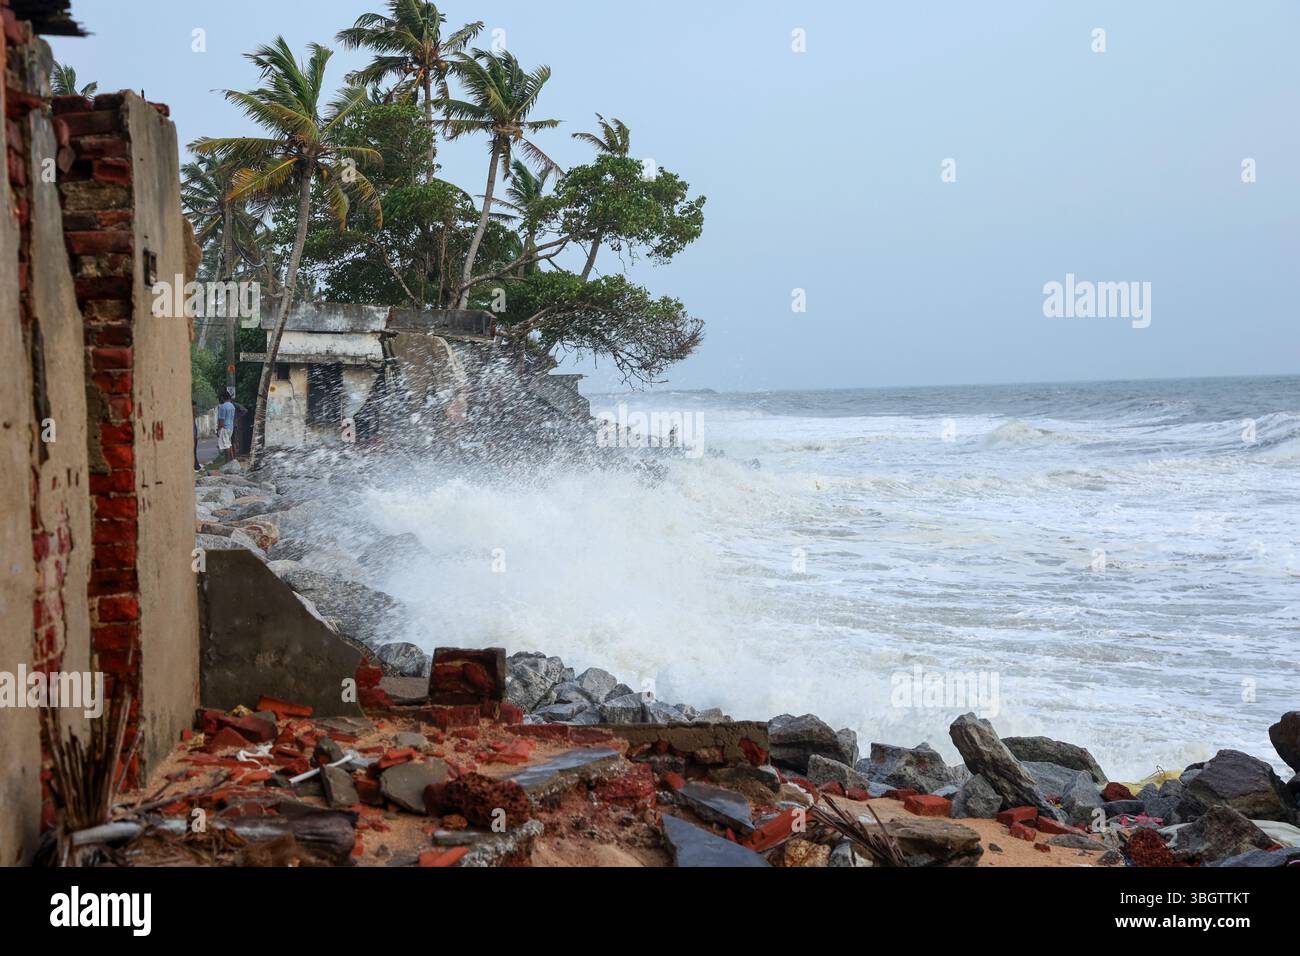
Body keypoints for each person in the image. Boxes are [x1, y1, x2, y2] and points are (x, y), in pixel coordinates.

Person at [217, 388, 238, 463]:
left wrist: (219, 429)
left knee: (226, 445)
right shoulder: (232, 406)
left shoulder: (223, 407)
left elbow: (221, 419)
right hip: (231, 427)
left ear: (223, 398)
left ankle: (227, 461)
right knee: (229, 443)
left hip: (225, 427)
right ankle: (232, 460)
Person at [192, 400, 201, 472]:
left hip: (191, 428)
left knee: (193, 449)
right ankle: (196, 464)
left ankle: (195, 464)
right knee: (194, 448)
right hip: (194, 427)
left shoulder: (191, 408)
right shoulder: (195, 409)